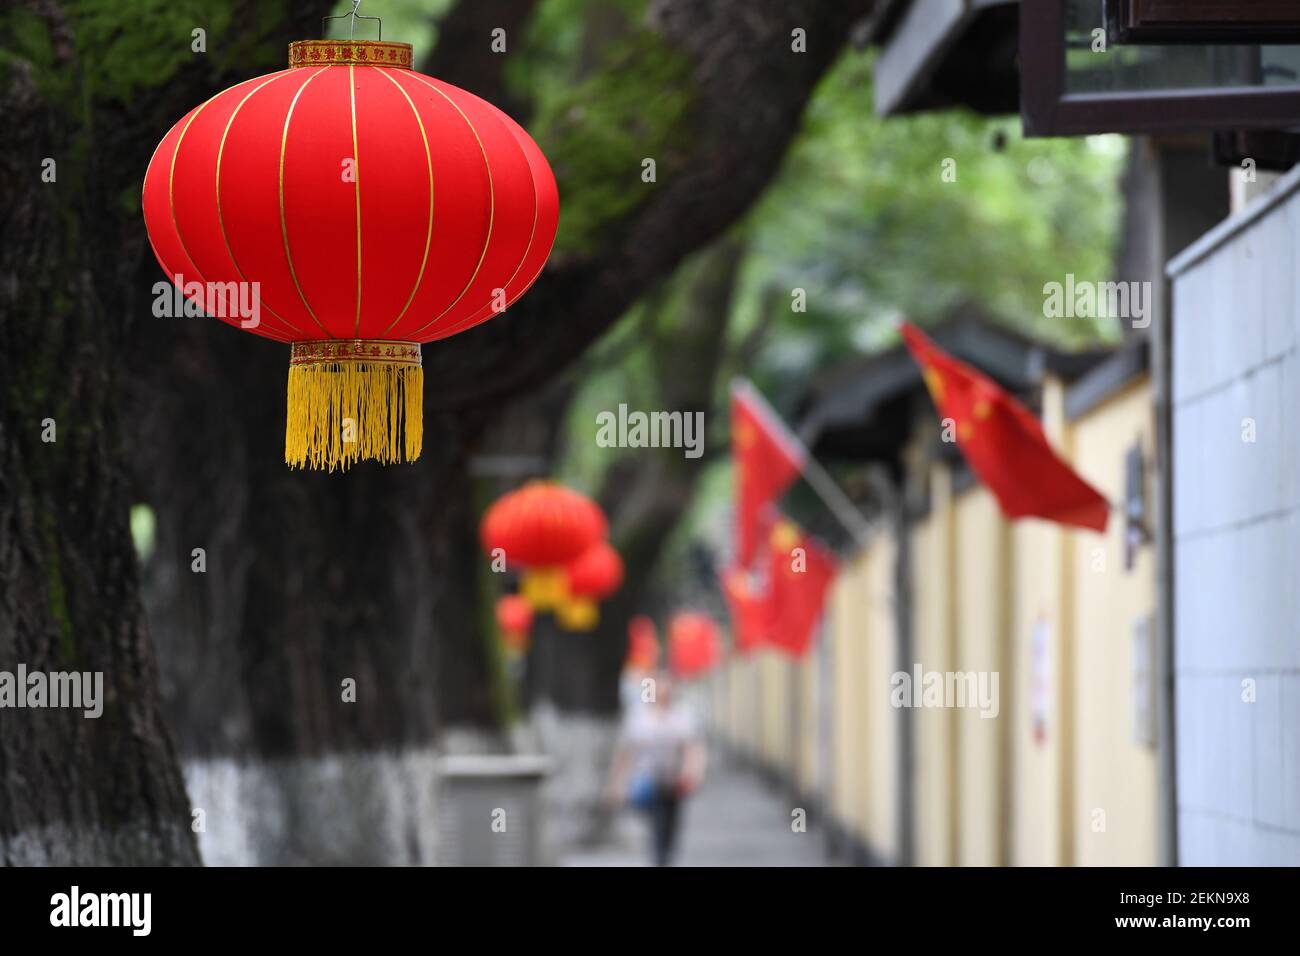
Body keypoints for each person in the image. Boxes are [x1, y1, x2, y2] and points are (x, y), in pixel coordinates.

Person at [606, 670, 707, 866]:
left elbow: (692, 748)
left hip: (673, 782)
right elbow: (626, 752)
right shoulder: (640, 717)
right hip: (648, 781)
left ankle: (664, 855)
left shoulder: (682, 715)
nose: (664, 690)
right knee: (658, 825)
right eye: (659, 685)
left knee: (670, 825)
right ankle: (660, 858)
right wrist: (616, 783)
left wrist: (693, 773)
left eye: (667, 685)